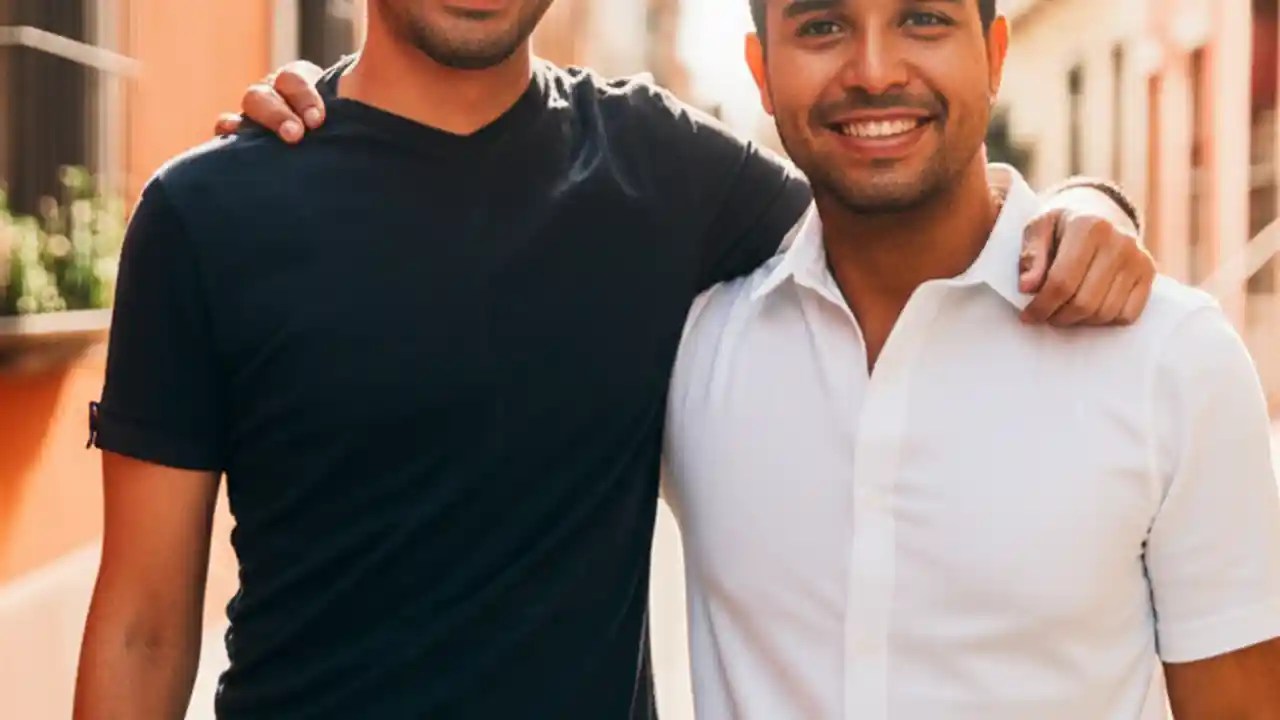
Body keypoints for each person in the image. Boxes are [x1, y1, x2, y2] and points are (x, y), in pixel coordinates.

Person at [74, 1, 1153, 719]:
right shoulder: (207, 212)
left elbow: (896, 215)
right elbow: (140, 626)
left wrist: (1073, 202)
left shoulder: (661, 172)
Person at [658, 0, 1280, 718]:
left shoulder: (1171, 363)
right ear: (762, 71)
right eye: (822, 26)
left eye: (922, 19)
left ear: (995, 54)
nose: (875, 71)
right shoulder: (697, 352)